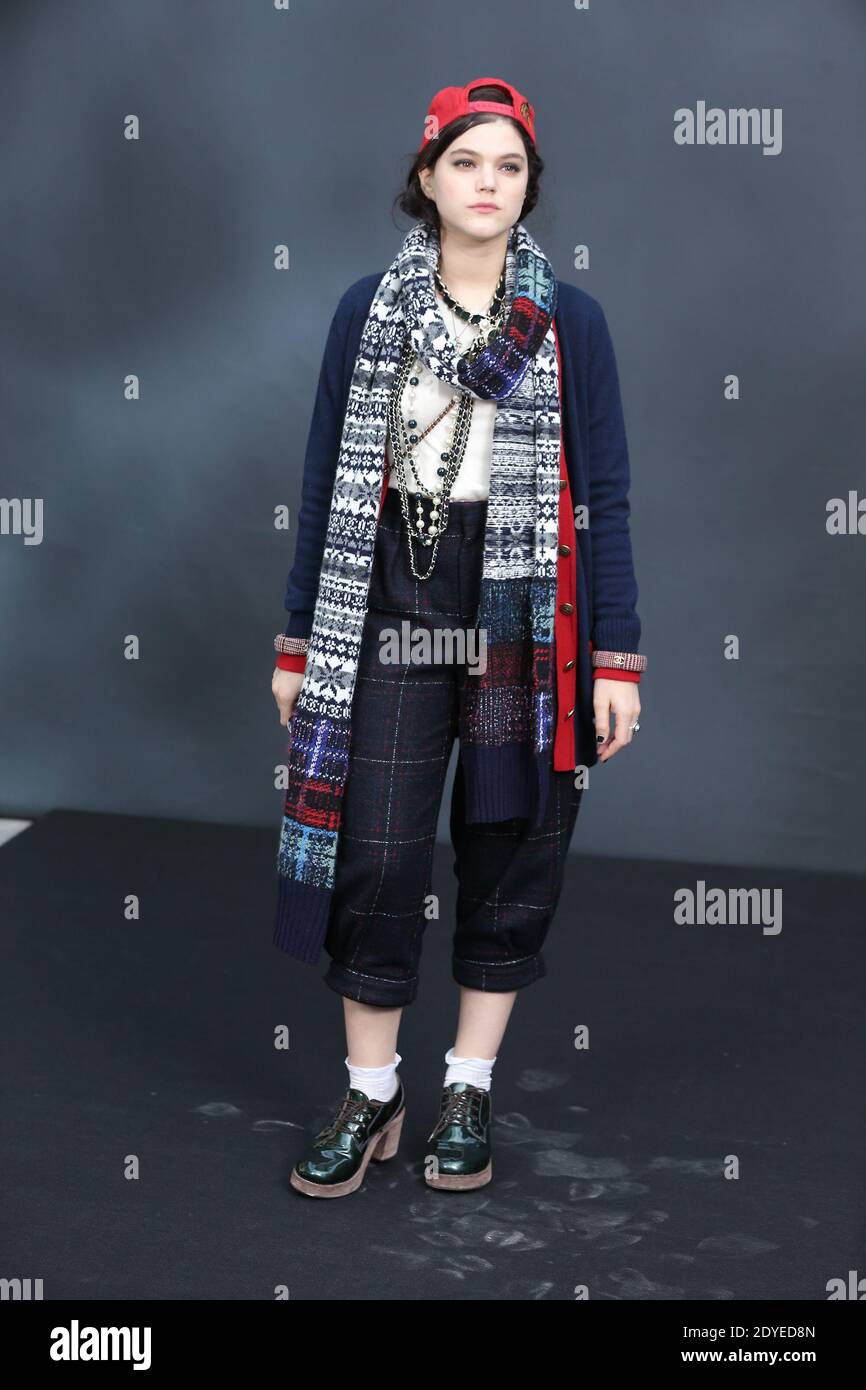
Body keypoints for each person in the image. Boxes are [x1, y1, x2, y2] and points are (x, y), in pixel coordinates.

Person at [269, 78, 645, 1198]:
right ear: (425, 178)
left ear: (528, 188)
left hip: (521, 628)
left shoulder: (570, 322)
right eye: (467, 161)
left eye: (510, 166)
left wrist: (614, 658)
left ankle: (467, 1087)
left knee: (507, 855)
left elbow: (604, 496)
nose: (488, 183)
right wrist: (299, 640)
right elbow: (321, 476)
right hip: (391, 610)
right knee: (376, 855)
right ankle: (371, 1094)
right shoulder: (363, 311)